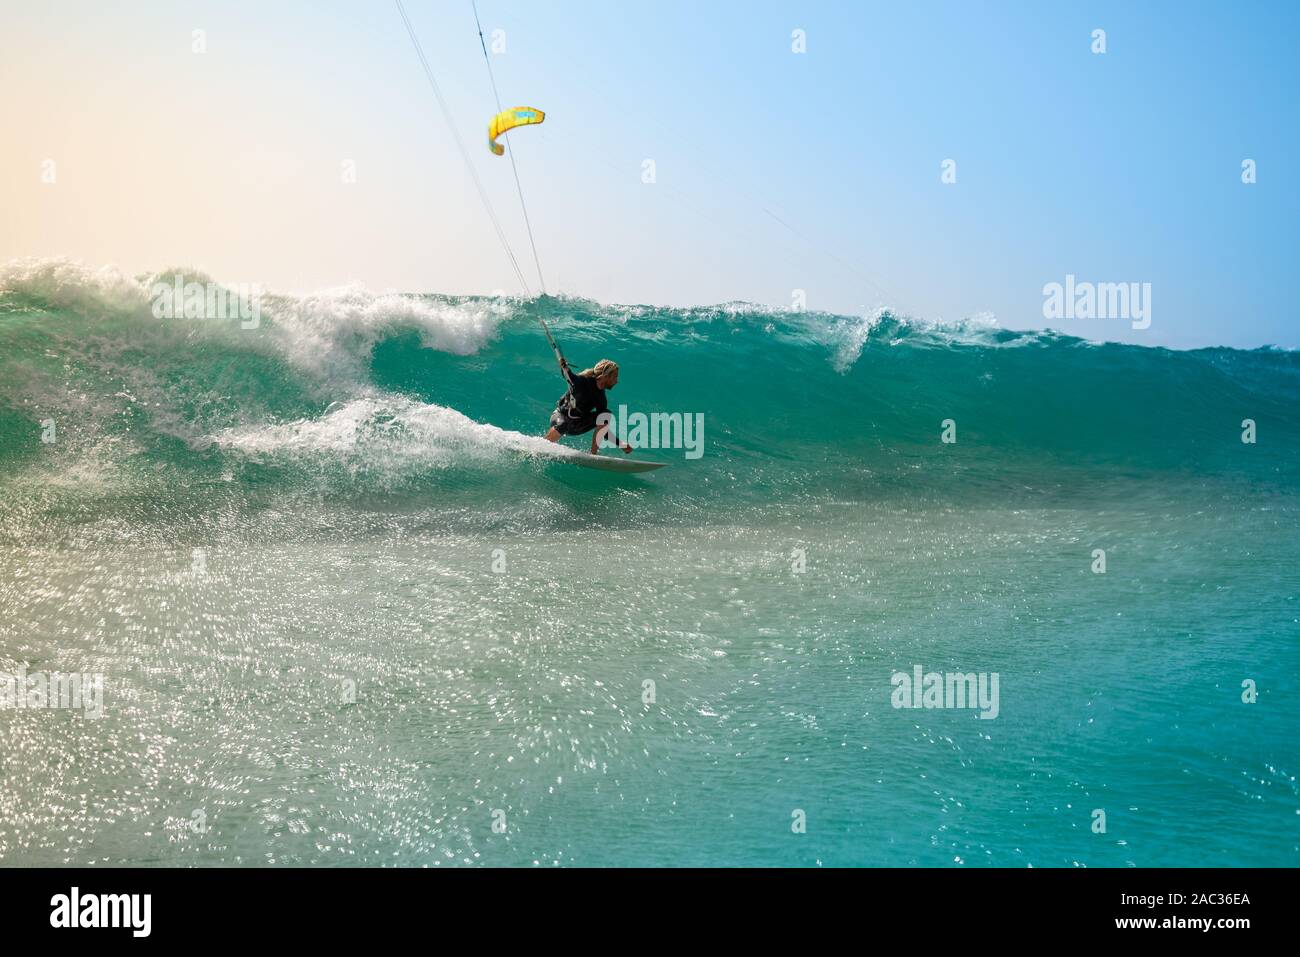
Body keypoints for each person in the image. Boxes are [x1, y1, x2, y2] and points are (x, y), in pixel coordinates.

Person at [545, 357, 633, 455]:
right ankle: (542, 446)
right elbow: (568, 375)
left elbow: (603, 430)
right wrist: (564, 366)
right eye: (615, 377)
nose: (616, 381)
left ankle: (593, 455)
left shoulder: (601, 398)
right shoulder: (583, 382)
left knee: (606, 415)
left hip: (577, 425)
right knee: (563, 424)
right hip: (560, 417)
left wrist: (620, 443)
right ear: (606, 376)